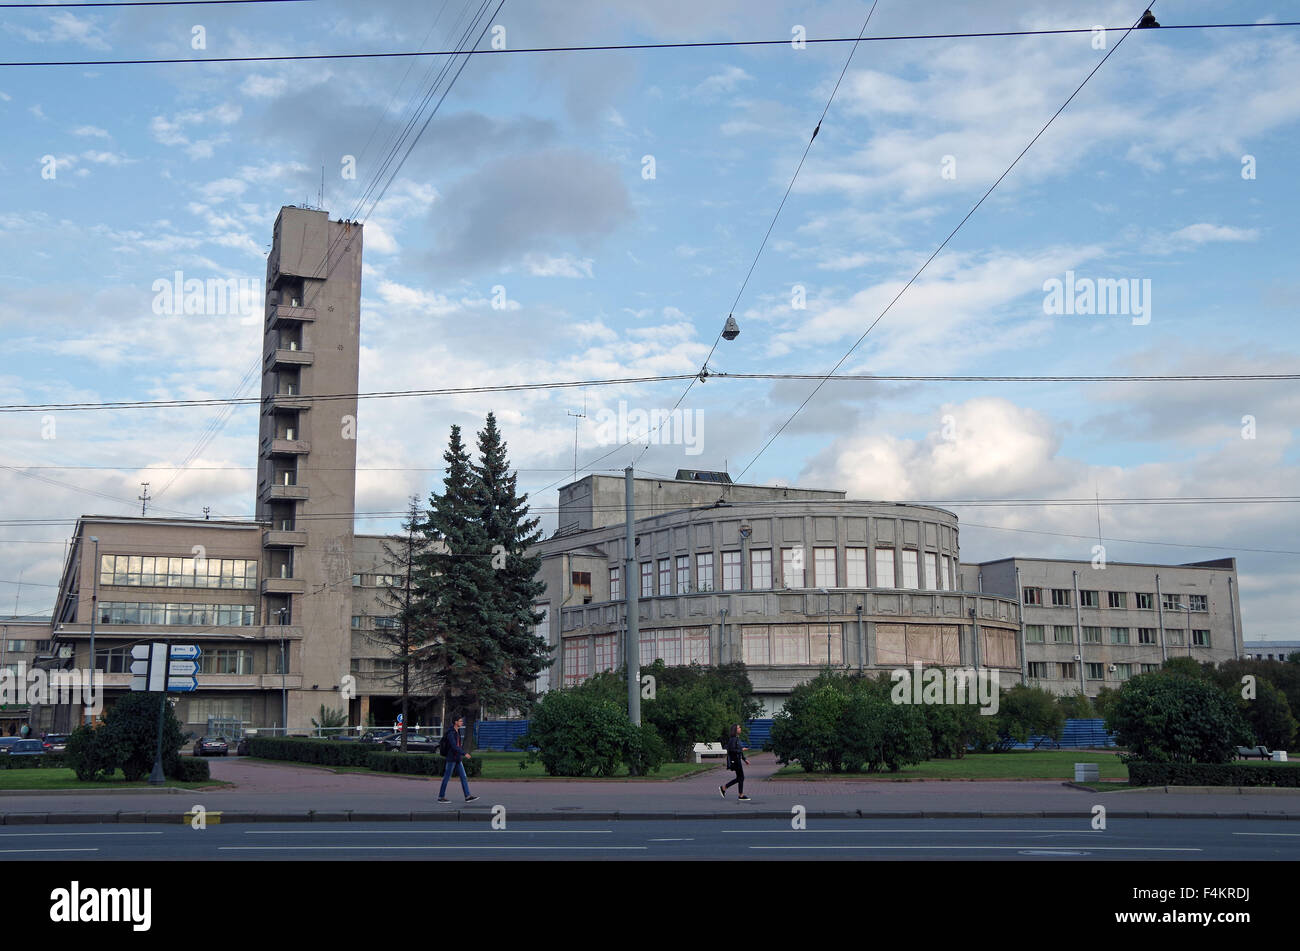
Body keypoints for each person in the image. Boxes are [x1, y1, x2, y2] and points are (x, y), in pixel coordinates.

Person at [437, 716, 479, 803]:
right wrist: (464, 753)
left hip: (457, 758)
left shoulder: (457, 731)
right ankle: (441, 797)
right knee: (447, 777)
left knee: (463, 777)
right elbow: (454, 746)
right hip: (451, 758)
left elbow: (458, 745)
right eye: (460, 721)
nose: (462, 722)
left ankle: (467, 796)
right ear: (455, 722)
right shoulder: (451, 733)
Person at [719, 723, 750, 801]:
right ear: (735, 730)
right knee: (741, 777)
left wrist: (744, 759)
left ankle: (725, 788)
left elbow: (739, 749)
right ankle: (740, 795)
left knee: (740, 778)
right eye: (739, 728)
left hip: (737, 760)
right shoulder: (733, 739)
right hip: (735, 761)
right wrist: (741, 750)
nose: (740, 729)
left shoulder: (737, 738)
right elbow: (732, 750)